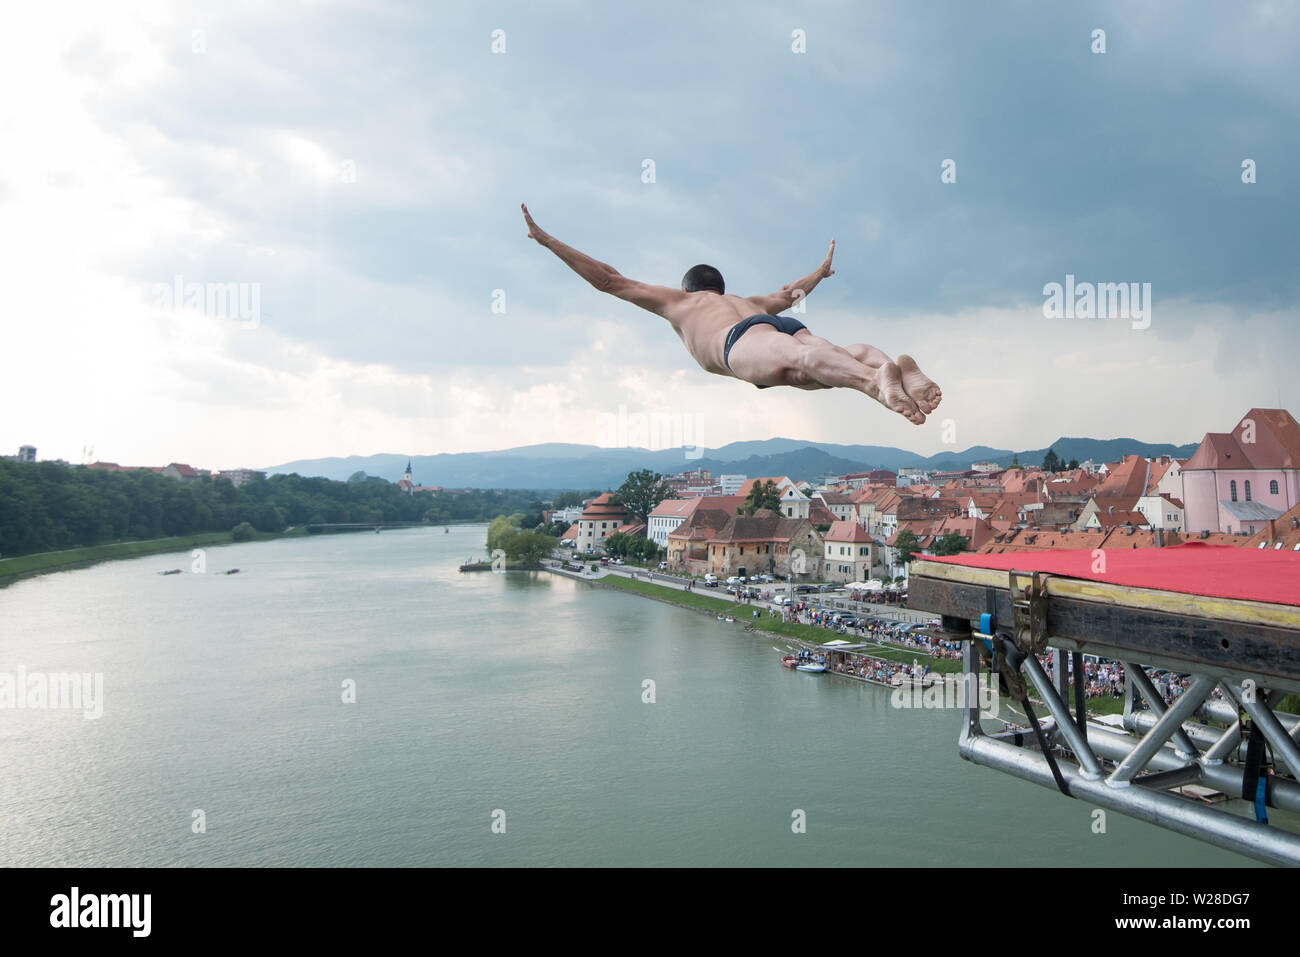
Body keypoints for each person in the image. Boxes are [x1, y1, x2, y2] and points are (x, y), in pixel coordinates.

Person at [521, 204, 941, 424]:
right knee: (817, 361)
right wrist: (820, 272)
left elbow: (609, 280)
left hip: (738, 342)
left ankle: (876, 383)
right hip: (780, 325)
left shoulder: (683, 303)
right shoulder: (749, 300)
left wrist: (546, 241)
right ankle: (885, 365)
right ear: (720, 287)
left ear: (688, 287)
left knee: (801, 363)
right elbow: (788, 294)